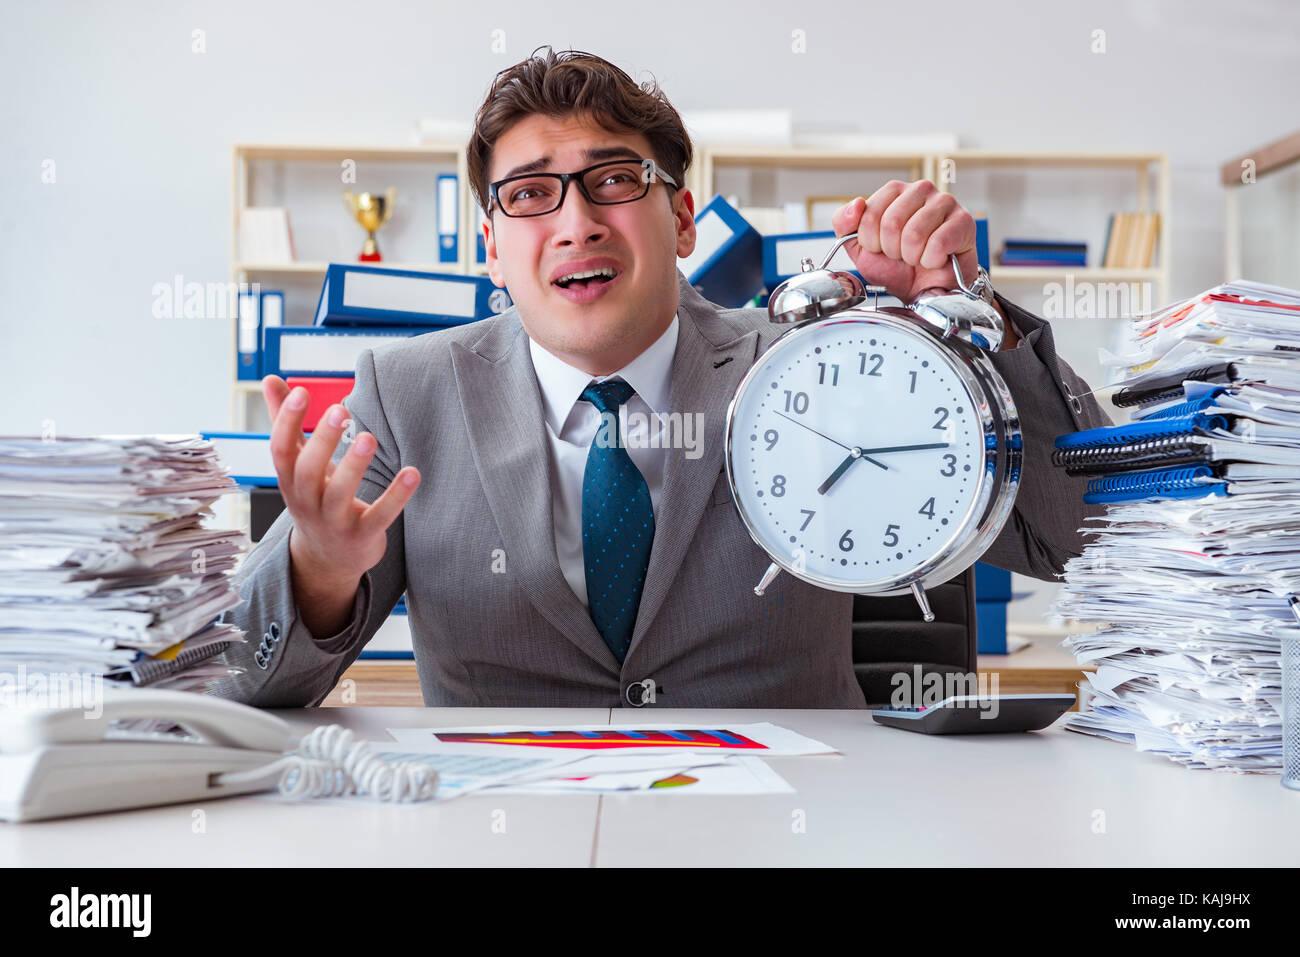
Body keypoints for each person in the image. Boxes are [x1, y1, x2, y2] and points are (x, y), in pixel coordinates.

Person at [212, 47, 1110, 709]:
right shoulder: (405, 396)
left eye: (612, 180)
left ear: (681, 217)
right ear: (492, 246)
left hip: (792, 830)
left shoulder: (813, 365)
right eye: (529, 195)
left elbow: (1080, 537)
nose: (575, 223)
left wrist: (965, 320)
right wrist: (320, 566)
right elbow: (246, 680)